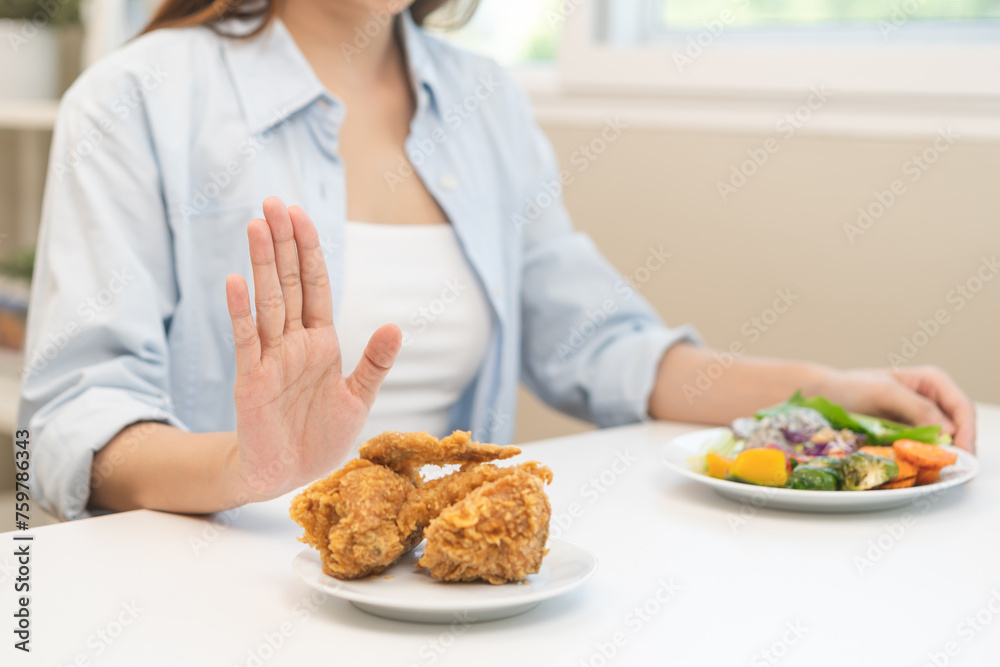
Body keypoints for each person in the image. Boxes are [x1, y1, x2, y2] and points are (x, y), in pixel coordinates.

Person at [19, 0, 975, 521]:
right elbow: (71, 418)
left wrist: (818, 389)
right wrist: (246, 466)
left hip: (440, 597)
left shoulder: (487, 102)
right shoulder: (132, 102)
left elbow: (602, 344)